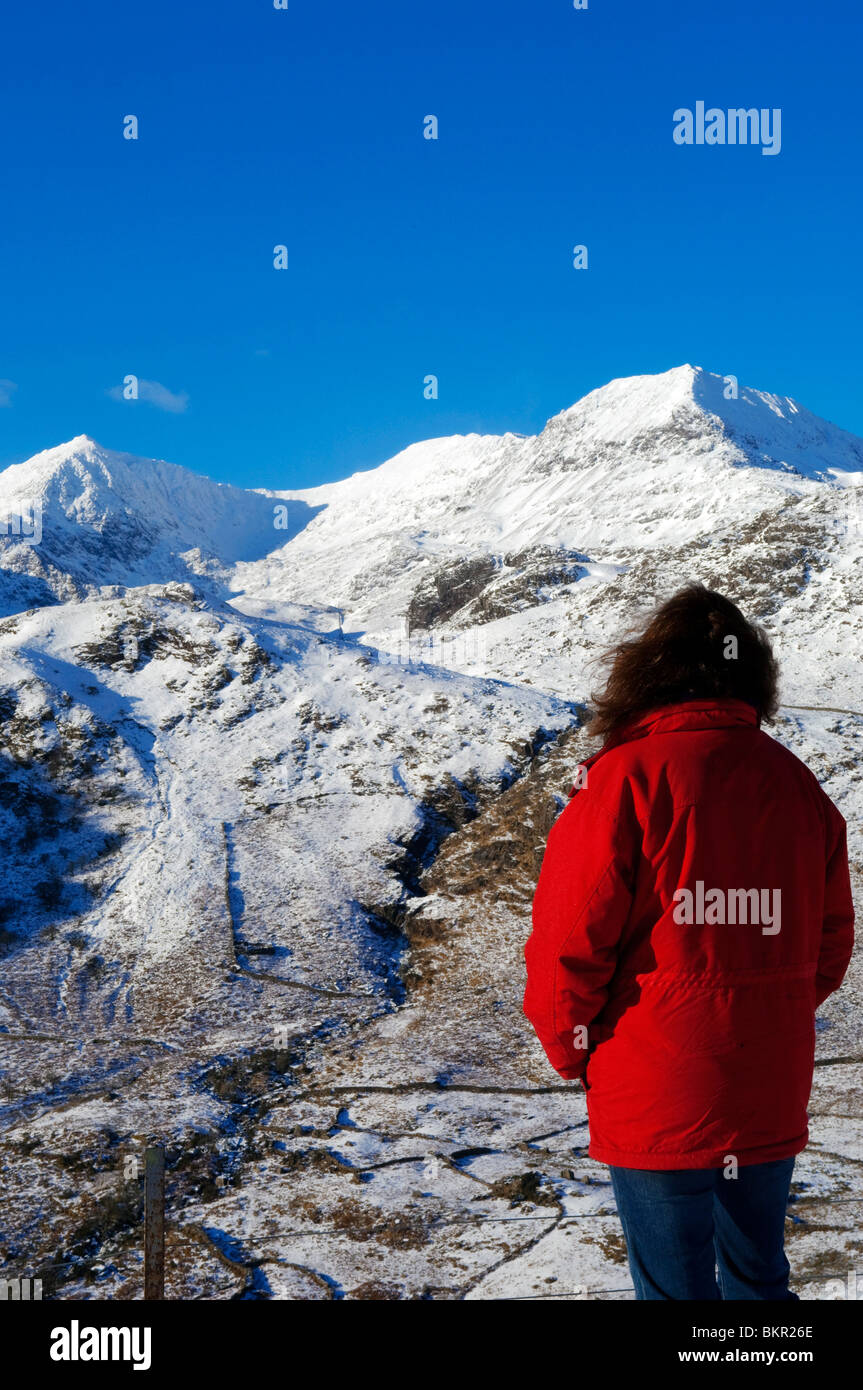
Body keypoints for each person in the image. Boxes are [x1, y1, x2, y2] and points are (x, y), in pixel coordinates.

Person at [523, 584, 855, 1300]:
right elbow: (829, 943)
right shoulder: (796, 785)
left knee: (675, 1293)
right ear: (753, 679)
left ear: (643, 677)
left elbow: (568, 943)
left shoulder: (621, 782)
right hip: (766, 1078)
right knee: (758, 1280)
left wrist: (572, 1045)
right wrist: (767, 1009)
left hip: (654, 1083)